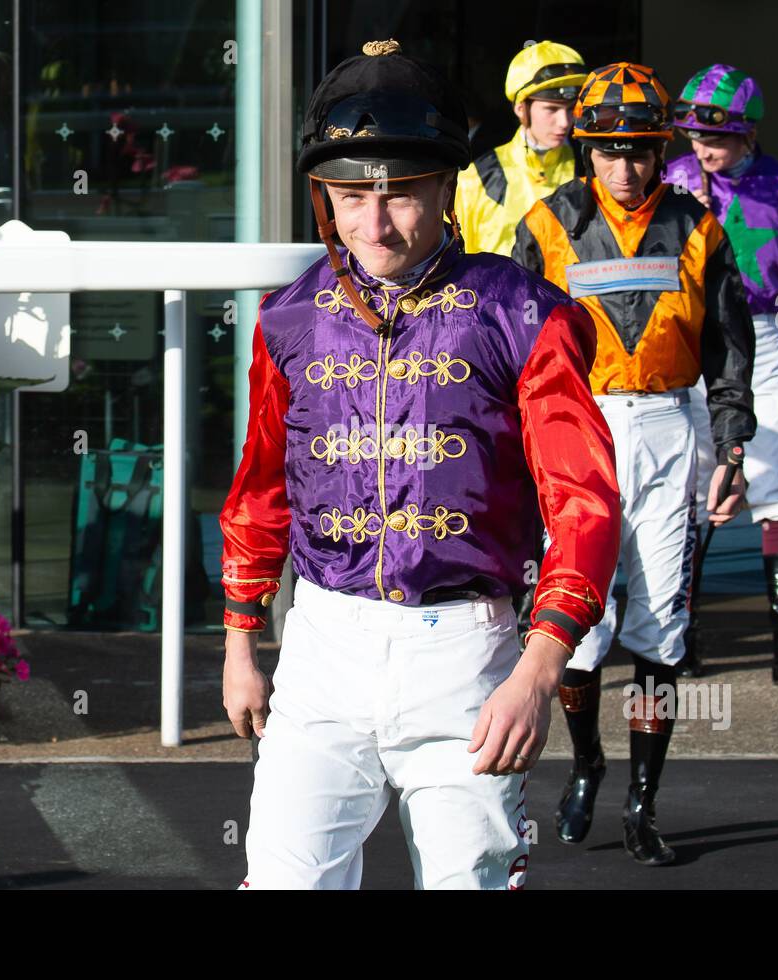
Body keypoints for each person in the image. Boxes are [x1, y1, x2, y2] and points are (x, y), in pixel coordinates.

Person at [220, 39, 621, 889]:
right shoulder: (286, 318)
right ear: (323, 194)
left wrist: (541, 667)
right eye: (352, 195)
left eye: (400, 192)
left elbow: (583, 502)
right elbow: (260, 491)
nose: (375, 223)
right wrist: (240, 639)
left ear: (446, 186)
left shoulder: (526, 314)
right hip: (323, 647)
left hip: (467, 653)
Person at [513, 61, 756, 863]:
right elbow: (513, 349)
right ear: (587, 149)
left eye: (641, 151)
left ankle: (643, 804)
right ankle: (586, 762)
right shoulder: (546, 224)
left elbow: (728, 346)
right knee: (577, 627)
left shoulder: (700, 225)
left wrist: (732, 443)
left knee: (660, 629)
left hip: (668, 425)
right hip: (574, 428)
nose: (625, 168)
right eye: (610, 150)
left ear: (662, 151)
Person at [664, 64, 778, 684]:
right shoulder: (673, 180)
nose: (703, 150)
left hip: (763, 335)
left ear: (748, 137)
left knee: (776, 480)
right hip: (697, 340)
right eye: (694, 138)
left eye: (717, 140)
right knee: (697, 484)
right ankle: (682, 639)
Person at [454, 40, 587, 257]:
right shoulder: (475, 179)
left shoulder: (589, 169)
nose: (564, 122)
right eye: (551, 109)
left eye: (571, 109)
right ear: (520, 108)